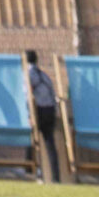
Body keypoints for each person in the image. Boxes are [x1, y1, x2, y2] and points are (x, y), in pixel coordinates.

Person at [25, 50, 60, 181]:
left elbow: (27, 96)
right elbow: (52, 93)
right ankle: (56, 177)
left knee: (30, 140)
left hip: (38, 110)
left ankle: (28, 172)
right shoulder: (44, 75)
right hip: (49, 110)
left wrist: (29, 114)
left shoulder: (28, 75)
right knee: (49, 142)